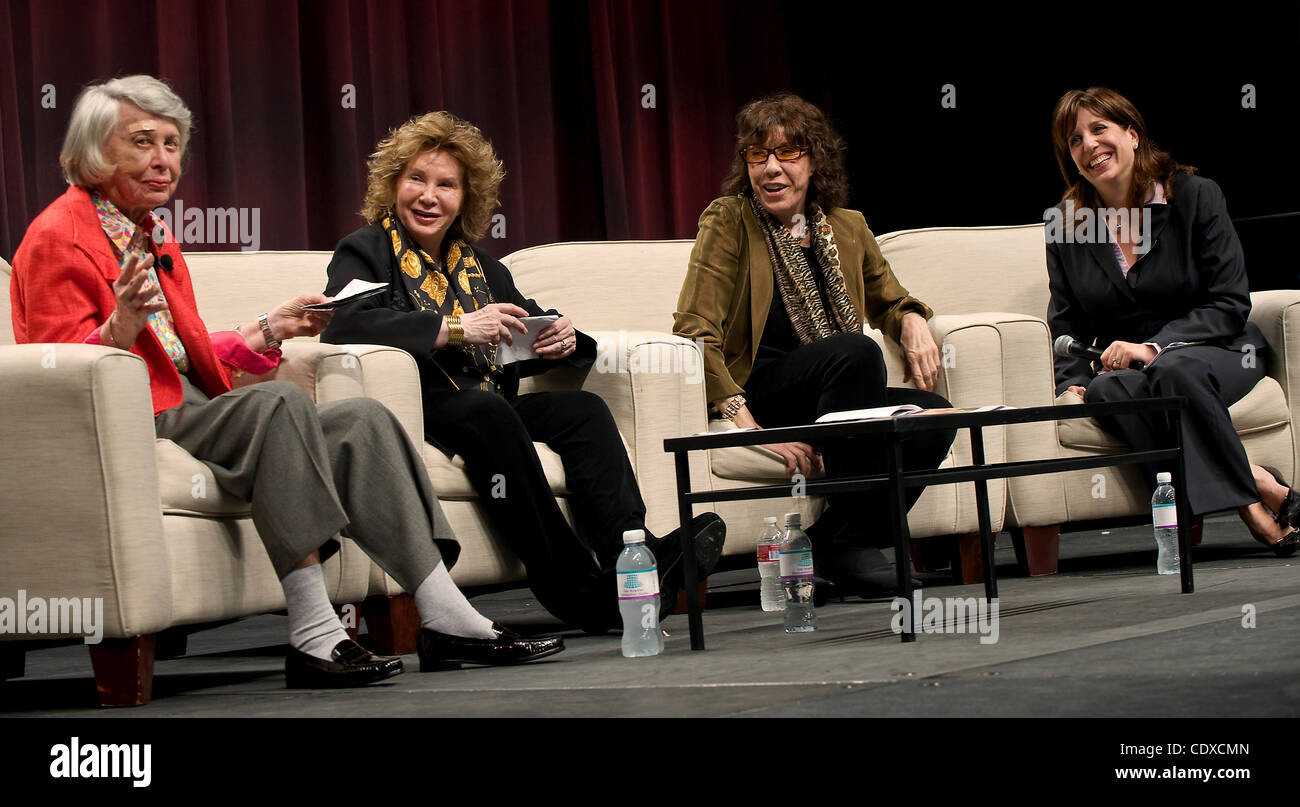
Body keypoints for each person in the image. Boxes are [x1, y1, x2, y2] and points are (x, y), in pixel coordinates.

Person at [9, 75, 565, 689]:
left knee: (363, 419)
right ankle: (313, 633)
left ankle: (443, 614)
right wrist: (119, 328)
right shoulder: (59, 237)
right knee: (277, 403)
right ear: (93, 151)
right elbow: (56, 374)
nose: (164, 160)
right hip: (138, 415)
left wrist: (269, 328)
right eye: (142, 142)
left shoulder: (149, 233)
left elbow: (179, 352)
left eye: (172, 143)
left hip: (185, 399)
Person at [321, 111, 725, 632]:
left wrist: (565, 339)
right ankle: (576, 591)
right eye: (416, 179)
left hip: (492, 405)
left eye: (446, 185)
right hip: (424, 406)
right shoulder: (367, 250)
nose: (428, 195)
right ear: (393, 184)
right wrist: (456, 328)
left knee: (581, 411)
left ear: (466, 199)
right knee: (488, 409)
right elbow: (344, 323)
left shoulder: (484, 268)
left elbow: (528, 325)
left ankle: (636, 556)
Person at [673, 93, 956, 595]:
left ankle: (838, 537)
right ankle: (851, 552)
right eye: (758, 155)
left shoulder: (847, 228)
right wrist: (745, 424)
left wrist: (911, 319)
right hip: (765, 390)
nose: (771, 169)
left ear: (815, 160)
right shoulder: (730, 221)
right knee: (856, 351)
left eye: (788, 154)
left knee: (935, 416)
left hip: (836, 401)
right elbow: (694, 328)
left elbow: (890, 300)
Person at [1046, 86, 1298, 557]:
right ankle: (1261, 486)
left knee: (1173, 370)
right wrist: (1074, 380)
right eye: (1074, 140)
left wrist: (1156, 347)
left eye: (1099, 129)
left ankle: (1252, 513)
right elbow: (1065, 319)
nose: (1088, 146)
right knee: (1106, 391)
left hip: (1221, 349)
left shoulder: (1195, 196)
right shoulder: (1067, 224)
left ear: (1133, 134)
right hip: (1134, 369)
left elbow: (1229, 301)